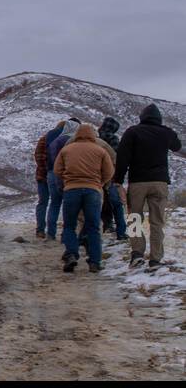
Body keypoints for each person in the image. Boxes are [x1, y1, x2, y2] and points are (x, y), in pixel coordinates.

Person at [115, 103, 181, 269]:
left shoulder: (132, 132)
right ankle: (155, 259)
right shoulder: (166, 132)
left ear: (142, 117)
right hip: (160, 182)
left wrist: (118, 180)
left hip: (138, 182)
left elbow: (122, 157)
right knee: (157, 222)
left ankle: (137, 253)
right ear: (159, 119)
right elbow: (177, 146)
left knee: (135, 218)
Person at [54, 123, 114, 273]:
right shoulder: (100, 150)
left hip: (71, 190)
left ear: (76, 135)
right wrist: (99, 183)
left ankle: (71, 254)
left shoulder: (66, 150)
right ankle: (94, 262)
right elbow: (109, 171)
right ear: (93, 135)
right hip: (93, 191)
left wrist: (67, 182)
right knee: (93, 227)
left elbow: (57, 170)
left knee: (69, 225)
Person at [45, 119, 81, 240]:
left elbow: (48, 157)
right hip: (67, 175)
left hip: (51, 173)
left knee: (54, 203)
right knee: (68, 205)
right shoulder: (73, 141)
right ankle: (67, 234)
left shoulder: (56, 140)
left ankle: (50, 233)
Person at [96, 117, 128, 240]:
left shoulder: (95, 137)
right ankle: (121, 232)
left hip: (95, 176)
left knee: (100, 204)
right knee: (116, 203)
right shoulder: (113, 139)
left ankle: (105, 225)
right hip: (110, 176)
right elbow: (117, 159)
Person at [33, 120, 65, 239]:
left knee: (43, 202)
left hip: (42, 175)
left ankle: (40, 230)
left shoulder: (44, 139)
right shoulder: (63, 141)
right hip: (54, 175)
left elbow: (38, 156)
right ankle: (51, 232)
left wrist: (45, 170)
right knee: (55, 203)